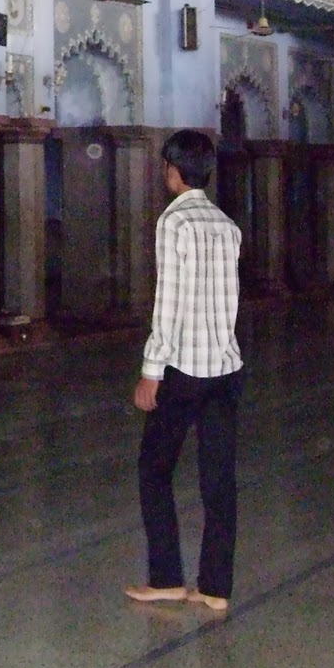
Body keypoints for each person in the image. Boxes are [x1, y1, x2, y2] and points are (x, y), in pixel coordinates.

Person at [125, 129, 243, 611]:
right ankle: (215, 588)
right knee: (219, 480)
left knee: (153, 470)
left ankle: (167, 578)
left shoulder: (174, 223)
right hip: (225, 370)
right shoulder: (226, 225)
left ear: (172, 171)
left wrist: (151, 369)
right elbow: (229, 302)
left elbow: (167, 303)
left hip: (183, 371)